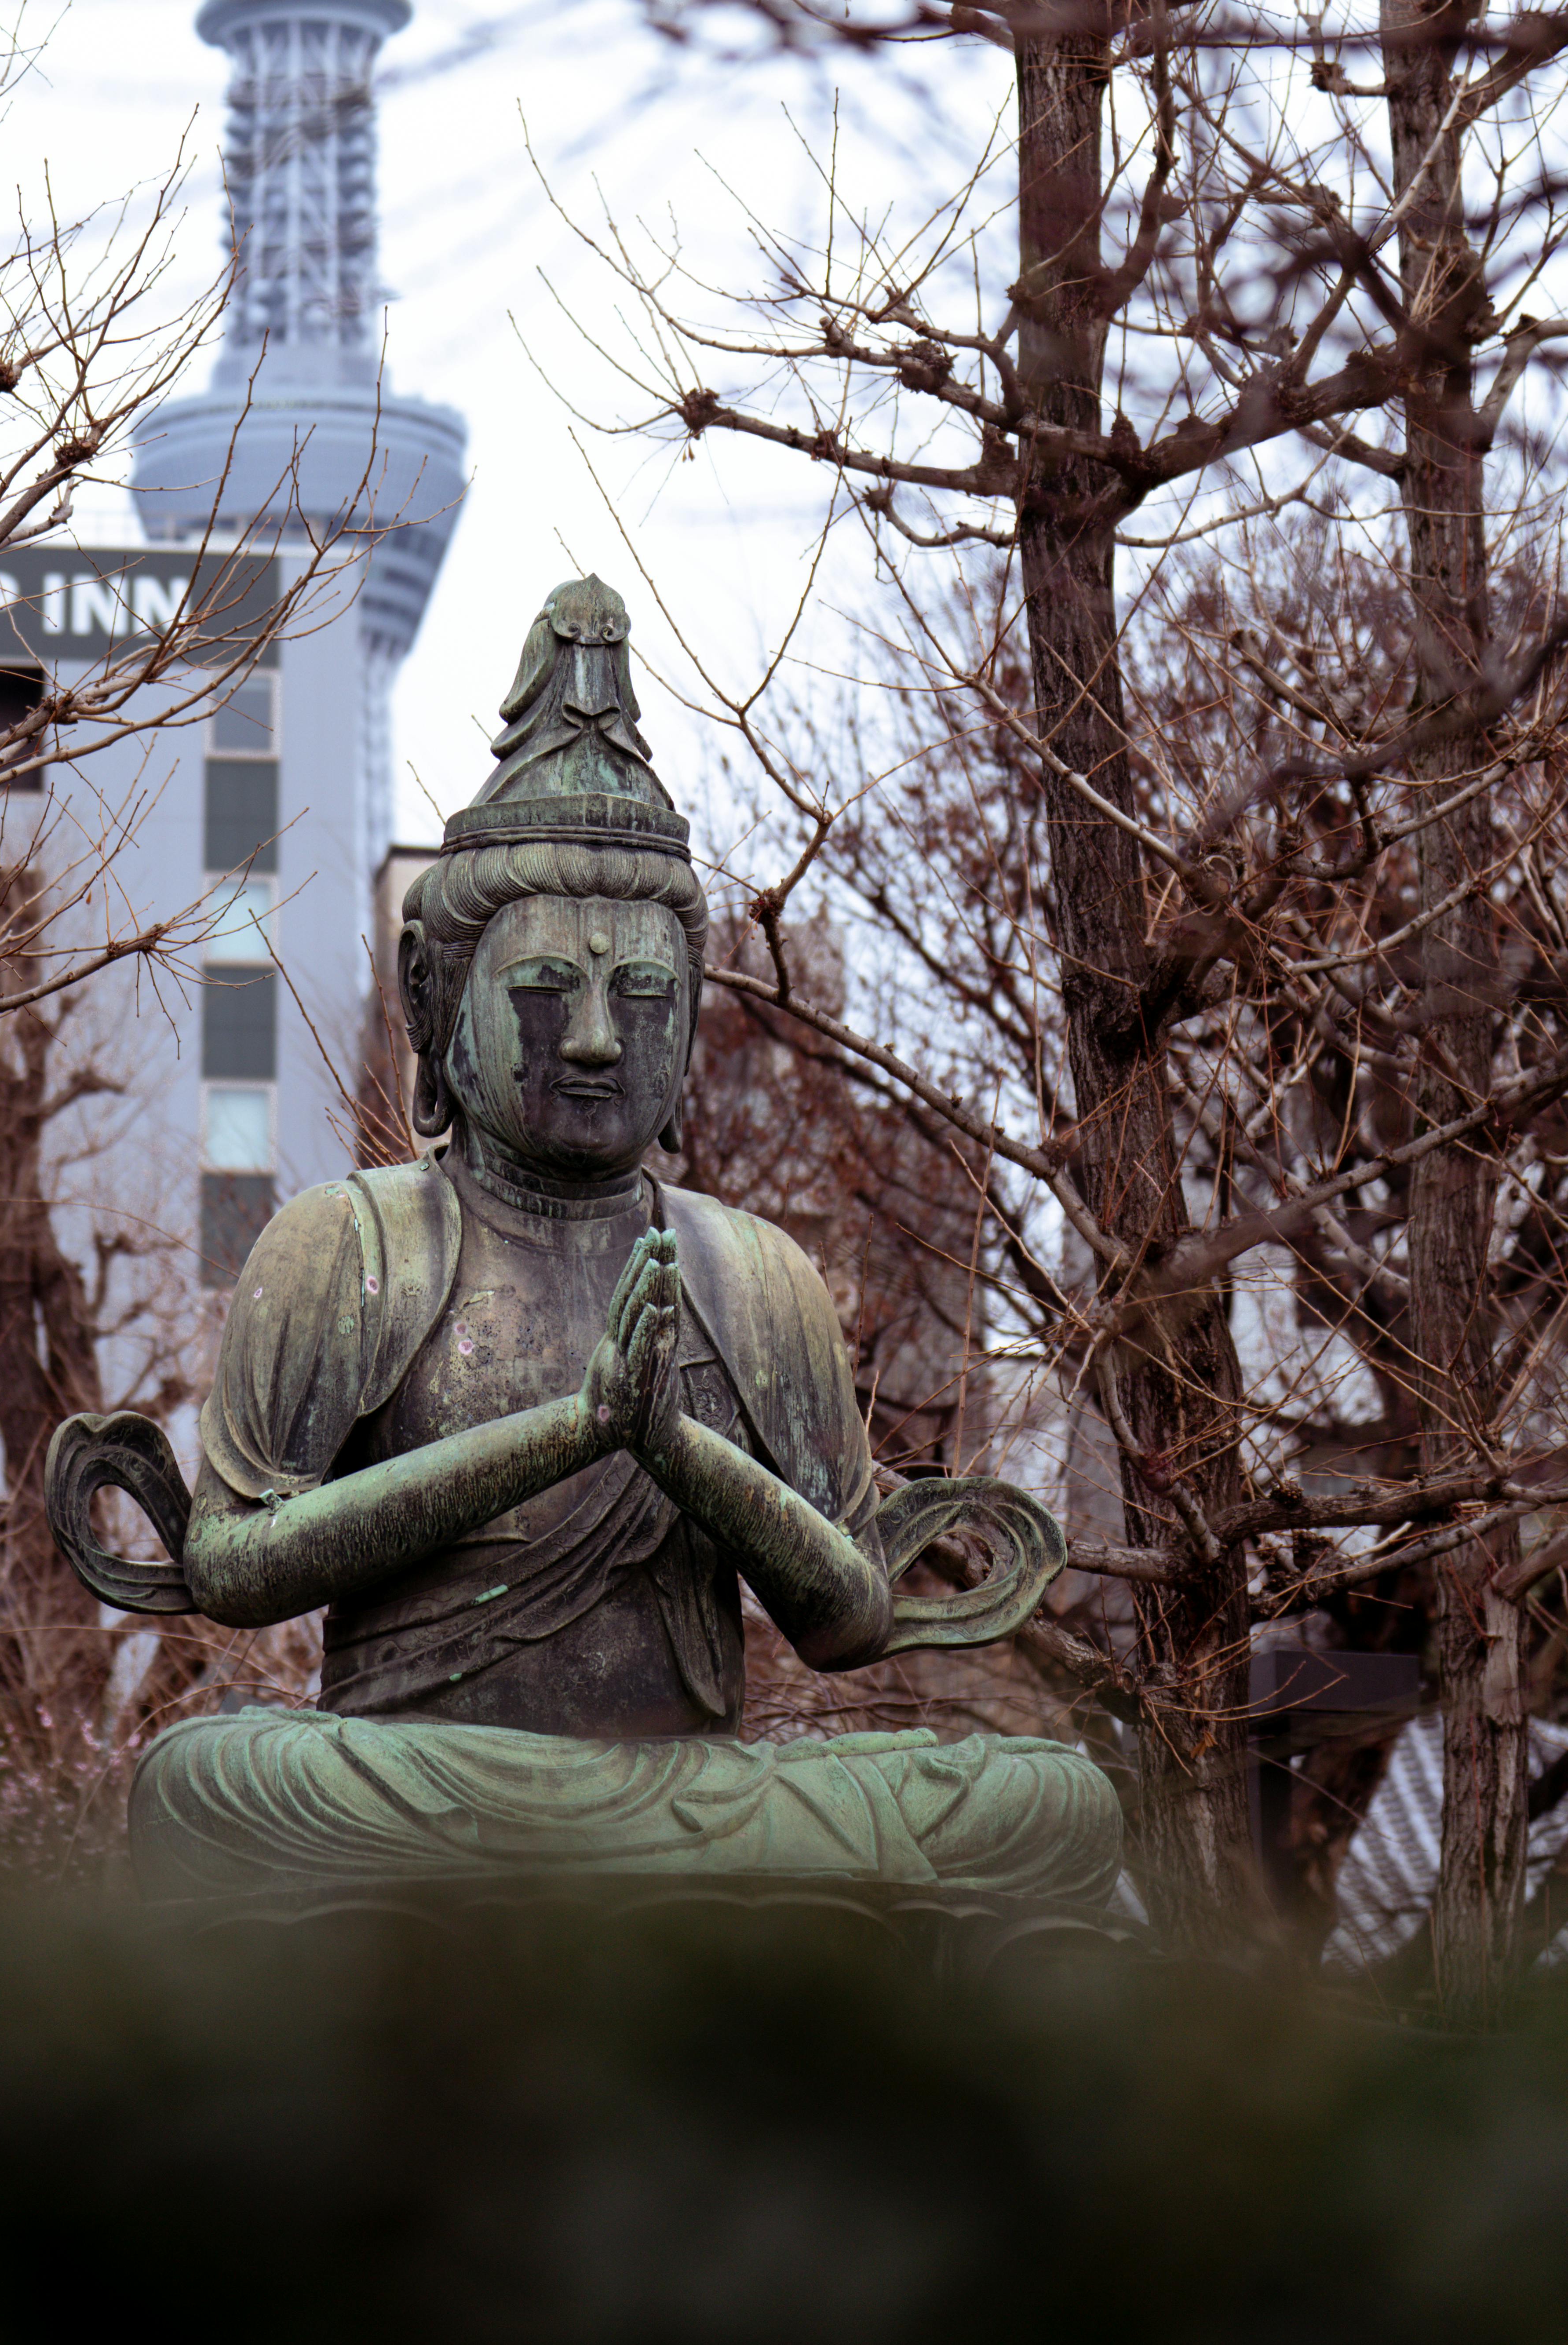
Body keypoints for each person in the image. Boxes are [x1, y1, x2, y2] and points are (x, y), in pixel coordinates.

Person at [86, 576, 1122, 1906]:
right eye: (542, 990)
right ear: (436, 1001)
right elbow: (231, 1567)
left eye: (641, 996)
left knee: (1051, 1800)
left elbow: (848, 1615)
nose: (592, 1038)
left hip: (687, 1789)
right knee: (210, 1780)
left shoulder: (752, 1273)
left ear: (691, 1022)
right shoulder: (352, 1243)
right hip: (423, 1776)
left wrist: (672, 1448)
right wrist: (570, 1431)